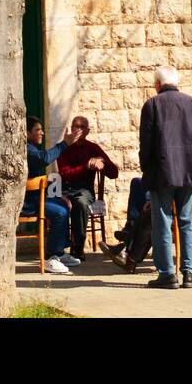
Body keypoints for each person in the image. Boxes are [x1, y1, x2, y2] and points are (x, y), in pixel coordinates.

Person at [136, 65, 192, 289]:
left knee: (162, 223)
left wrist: (145, 167)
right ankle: (189, 272)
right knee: (186, 223)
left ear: (157, 84)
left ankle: (167, 273)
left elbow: (146, 144)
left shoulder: (152, 105)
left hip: (162, 173)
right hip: (188, 172)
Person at [109, 149, 192, 273]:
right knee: (152, 213)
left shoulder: (184, 159)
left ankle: (129, 253)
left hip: (187, 210)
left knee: (153, 215)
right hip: (191, 208)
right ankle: (129, 254)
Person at [56, 115, 119, 260]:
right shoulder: (64, 147)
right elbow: (65, 174)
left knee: (80, 203)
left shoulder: (93, 148)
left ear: (87, 131)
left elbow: (114, 173)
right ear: (71, 129)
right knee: (55, 205)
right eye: (75, 127)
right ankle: (57, 248)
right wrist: (86, 167)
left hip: (84, 190)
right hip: (65, 189)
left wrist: (102, 160)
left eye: (82, 127)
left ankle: (78, 247)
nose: (78, 130)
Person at [23, 116, 79, 275]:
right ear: (27, 133)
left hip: (36, 198)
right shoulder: (27, 149)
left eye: (42, 129)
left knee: (63, 205)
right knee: (60, 213)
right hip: (28, 203)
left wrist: (57, 196)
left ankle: (60, 253)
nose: (41, 133)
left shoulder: (32, 147)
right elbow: (45, 159)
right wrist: (64, 144)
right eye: (37, 130)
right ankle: (50, 257)